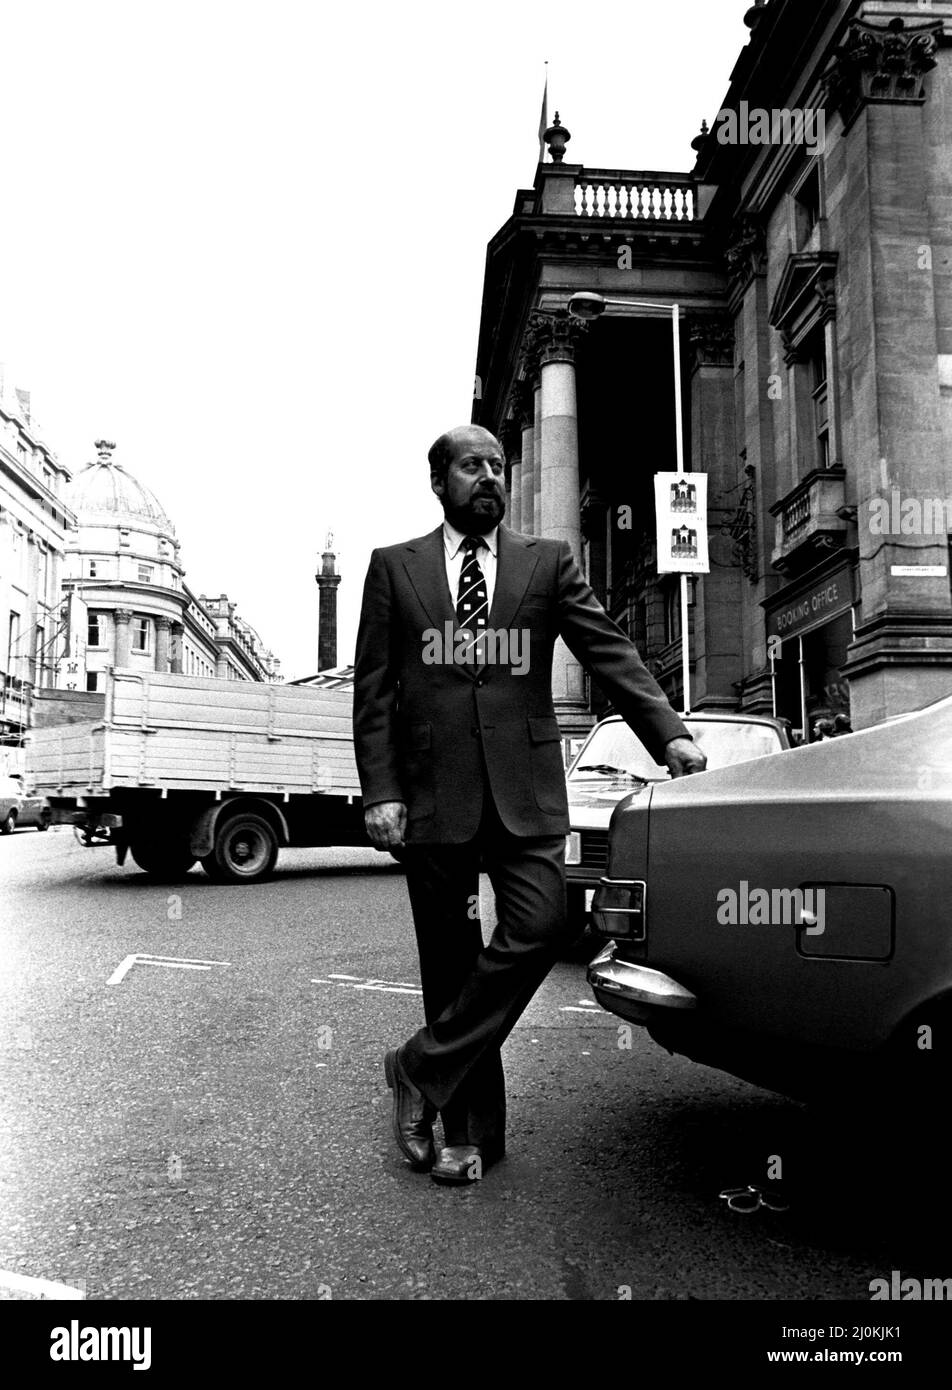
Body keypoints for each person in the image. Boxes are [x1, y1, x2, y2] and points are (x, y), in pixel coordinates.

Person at [353, 424, 706, 1185]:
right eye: (472, 466)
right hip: (431, 796)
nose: (488, 477)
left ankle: (417, 1065)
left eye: (497, 466)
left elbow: (606, 647)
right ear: (439, 481)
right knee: (449, 967)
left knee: (542, 925)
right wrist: (380, 791)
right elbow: (374, 691)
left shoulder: (547, 563)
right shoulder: (394, 569)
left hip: (527, 790)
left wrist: (666, 733)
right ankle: (468, 1137)